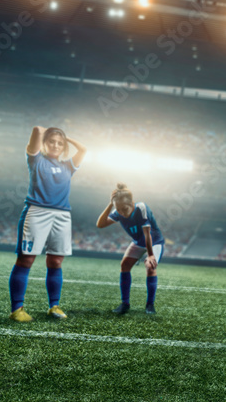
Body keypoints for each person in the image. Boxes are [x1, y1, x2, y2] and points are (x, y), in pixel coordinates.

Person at [8, 126, 86, 321]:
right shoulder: (36, 160)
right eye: (52, 141)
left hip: (62, 215)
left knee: (56, 262)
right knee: (26, 260)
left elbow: (83, 150)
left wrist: (67, 138)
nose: (56, 145)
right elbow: (36, 130)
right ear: (44, 143)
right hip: (37, 212)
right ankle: (17, 309)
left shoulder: (68, 166)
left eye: (60, 143)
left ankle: (54, 306)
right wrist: (43, 132)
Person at [96, 183, 164, 315]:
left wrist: (150, 256)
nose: (121, 212)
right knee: (125, 265)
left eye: (124, 209)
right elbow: (100, 224)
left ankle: (150, 305)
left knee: (150, 267)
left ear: (132, 203)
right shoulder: (118, 211)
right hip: (138, 241)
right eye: (118, 209)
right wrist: (111, 204)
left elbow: (147, 234)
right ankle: (125, 303)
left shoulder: (141, 207)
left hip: (153, 241)